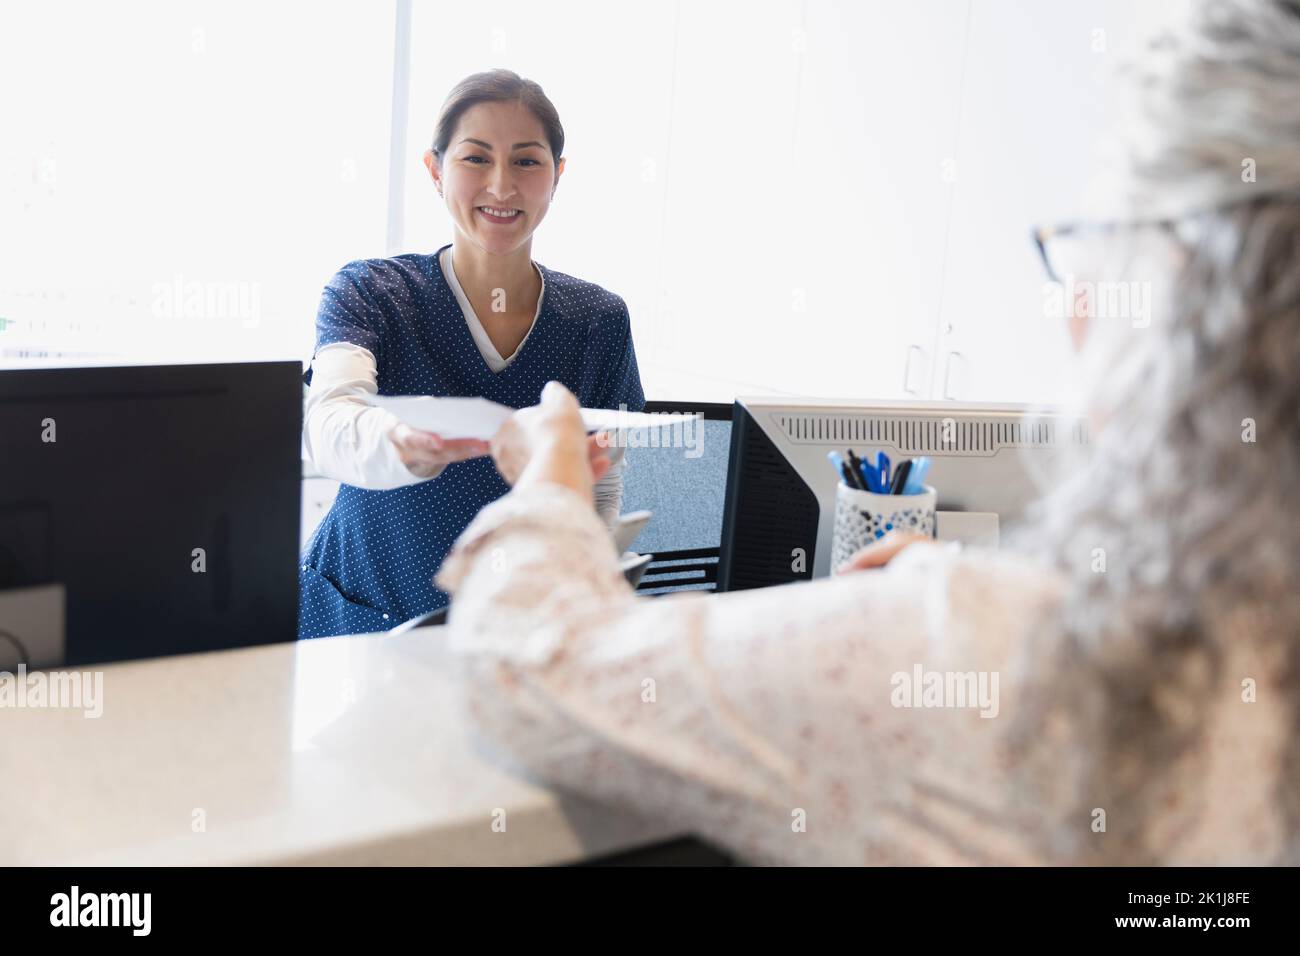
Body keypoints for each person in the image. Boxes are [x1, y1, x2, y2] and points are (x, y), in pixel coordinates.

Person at [434, 0, 1300, 865]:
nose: (1075, 307)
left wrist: (551, 472)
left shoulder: (981, 647)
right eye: (478, 159)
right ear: (438, 171)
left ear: (1188, 289)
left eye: (1094, 247)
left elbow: (531, 675)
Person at [298, 70, 644, 639]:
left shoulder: (598, 320)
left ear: (557, 176)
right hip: (358, 622)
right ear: (436, 171)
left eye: (527, 162)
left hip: (509, 636)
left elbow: (600, 477)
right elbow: (330, 421)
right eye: (476, 159)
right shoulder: (369, 292)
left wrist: (587, 594)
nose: (502, 186)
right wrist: (398, 445)